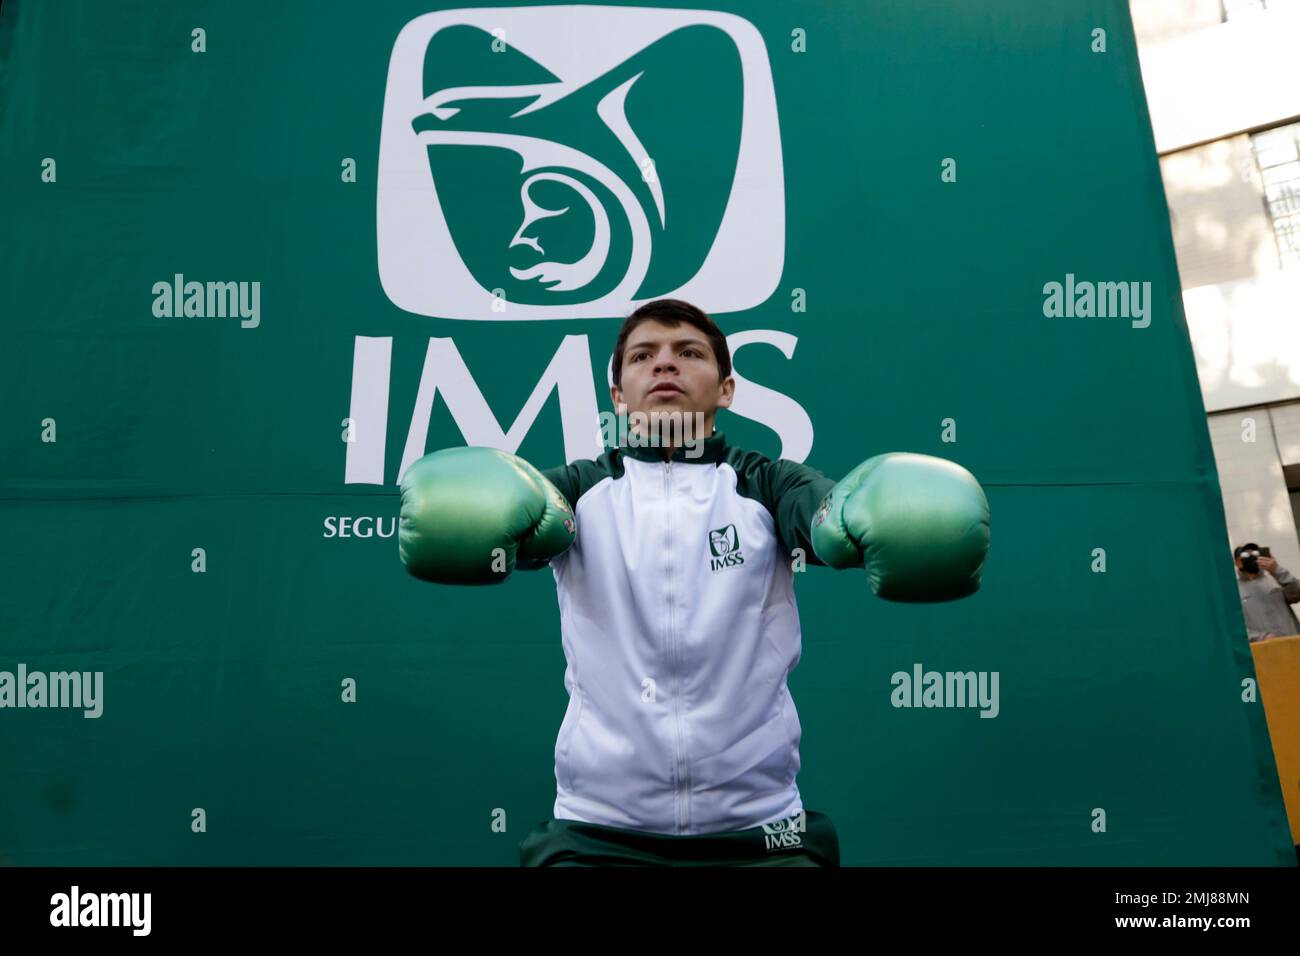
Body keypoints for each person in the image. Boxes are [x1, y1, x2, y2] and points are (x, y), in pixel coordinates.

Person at [398, 299, 991, 866]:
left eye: (688, 352)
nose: (664, 363)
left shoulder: (769, 485)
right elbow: (499, 525)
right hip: (596, 831)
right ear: (617, 394)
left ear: (726, 388)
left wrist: (871, 519)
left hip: (762, 831)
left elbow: (828, 517)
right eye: (642, 356)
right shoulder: (574, 491)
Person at [1234, 542, 1300, 642]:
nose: (1252, 556)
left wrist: (1277, 570)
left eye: (1255, 553)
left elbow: (1297, 594)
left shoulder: (1275, 579)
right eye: (1246, 554)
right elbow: (1233, 626)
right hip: (1263, 650)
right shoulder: (1234, 591)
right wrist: (1259, 637)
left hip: (1294, 643)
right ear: (1238, 562)